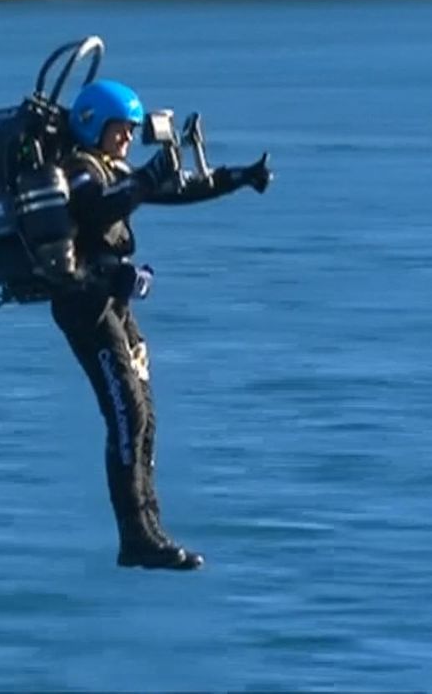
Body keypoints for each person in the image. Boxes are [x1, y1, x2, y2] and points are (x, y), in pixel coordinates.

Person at [51, 78, 272, 571]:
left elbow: (174, 190)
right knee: (126, 415)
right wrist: (146, 178)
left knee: (145, 416)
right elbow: (98, 206)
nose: (128, 139)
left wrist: (238, 177)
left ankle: (151, 528)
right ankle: (135, 537)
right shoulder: (78, 170)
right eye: (120, 130)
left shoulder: (110, 169)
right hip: (85, 306)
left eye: (133, 131)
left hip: (112, 302)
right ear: (92, 124)